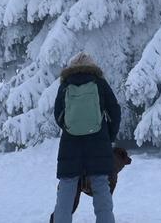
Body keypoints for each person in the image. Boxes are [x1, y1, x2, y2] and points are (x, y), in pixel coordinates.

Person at [52, 52, 121, 223]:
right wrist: (108, 136)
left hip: (70, 145)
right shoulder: (99, 83)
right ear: (92, 66)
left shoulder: (66, 85)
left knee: (66, 192)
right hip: (98, 143)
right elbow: (115, 111)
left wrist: (70, 128)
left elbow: (58, 114)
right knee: (101, 191)